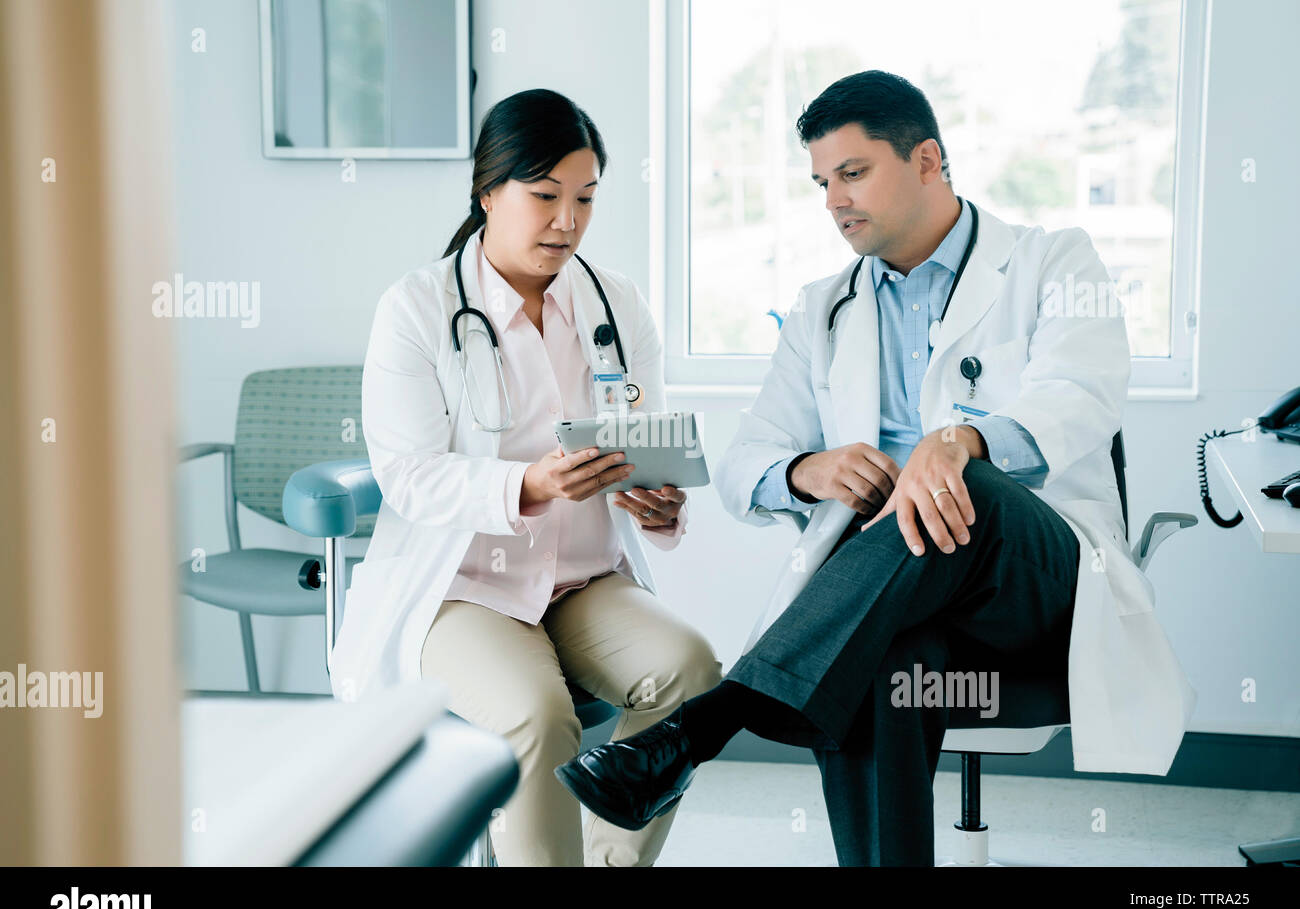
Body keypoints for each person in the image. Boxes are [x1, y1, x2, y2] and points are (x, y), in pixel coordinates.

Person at [555, 70, 1195, 866]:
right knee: (889, 668)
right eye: (823, 182)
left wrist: (963, 443)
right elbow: (744, 461)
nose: (833, 201)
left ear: (927, 160)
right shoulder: (823, 307)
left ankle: (703, 725)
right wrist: (806, 470)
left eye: (852, 173)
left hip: (1036, 588)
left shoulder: (1052, 262)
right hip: (900, 610)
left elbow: (1080, 394)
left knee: (964, 489)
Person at [331, 89, 723, 866]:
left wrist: (655, 503)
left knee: (692, 671)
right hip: (463, 585)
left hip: (581, 582)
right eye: (545, 196)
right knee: (539, 713)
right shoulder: (416, 308)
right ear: (488, 192)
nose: (567, 221)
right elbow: (409, 477)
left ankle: (609, 860)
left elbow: (638, 445)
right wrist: (528, 485)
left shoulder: (618, 304)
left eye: (585, 199)